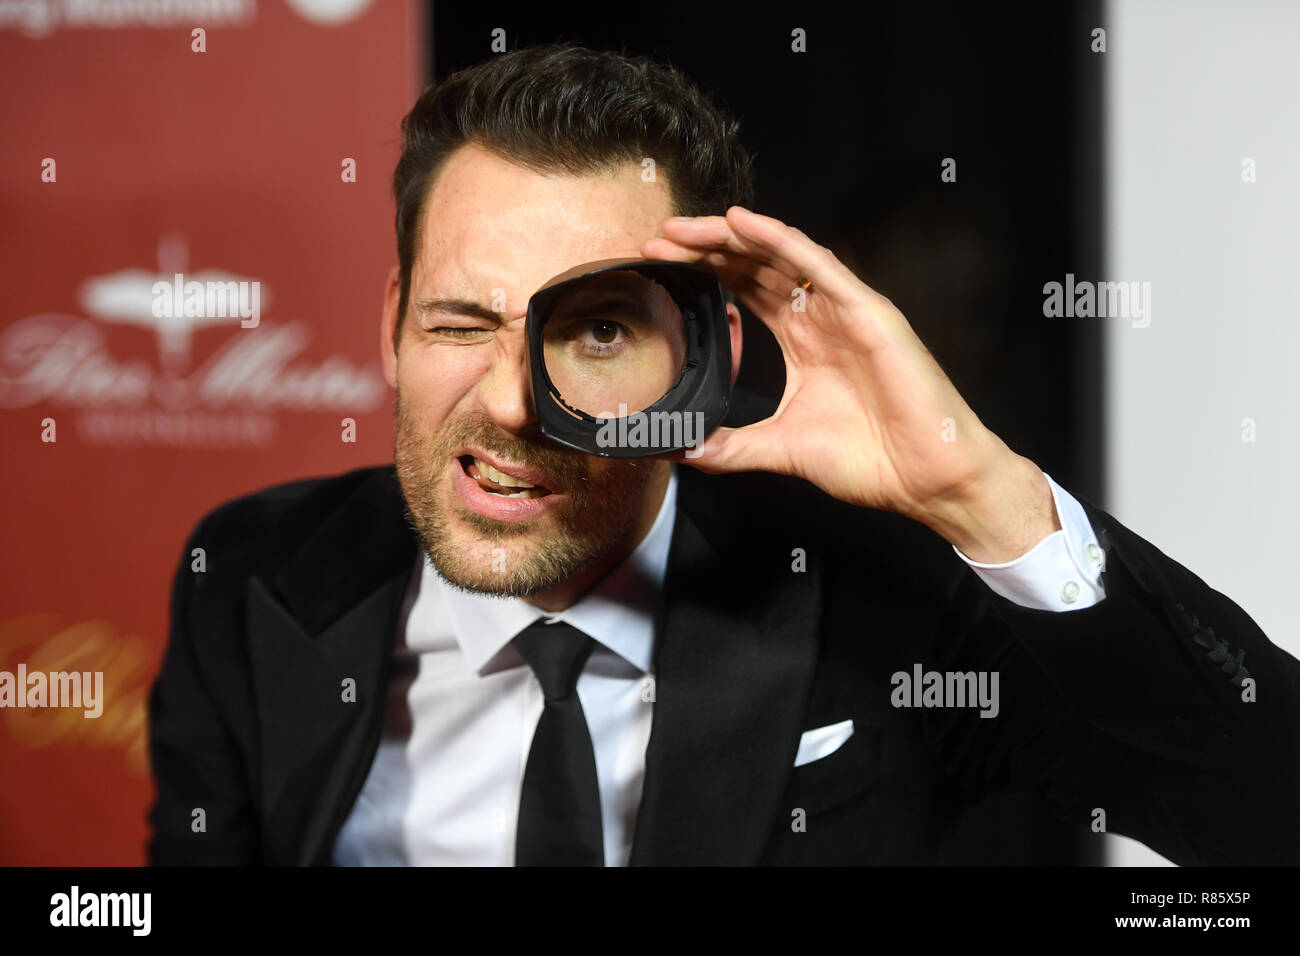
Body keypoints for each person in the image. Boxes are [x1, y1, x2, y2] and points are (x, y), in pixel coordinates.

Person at [146, 42, 1300, 866]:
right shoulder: (255, 572)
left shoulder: (881, 605)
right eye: (459, 321)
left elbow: (1262, 809)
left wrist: (977, 489)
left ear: (703, 351)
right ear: (393, 318)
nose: (507, 403)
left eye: (595, 332)